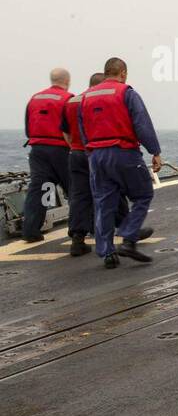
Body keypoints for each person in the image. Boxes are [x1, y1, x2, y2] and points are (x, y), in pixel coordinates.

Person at [78, 57, 162, 267]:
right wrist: (155, 151)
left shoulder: (85, 97)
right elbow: (142, 124)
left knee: (104, 204)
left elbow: (82, 128)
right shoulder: (127, 93)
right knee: (143, 194)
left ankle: (107, 253)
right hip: (123, 152)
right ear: (122, 73)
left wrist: (91, 152)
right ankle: (129, 237)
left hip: (96, 156)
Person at [62, 72, 130, 257]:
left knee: (79, 196)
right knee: (114, 190)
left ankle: (77, 239)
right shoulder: (105, 100)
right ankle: (129, 228)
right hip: (99, 152)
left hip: (76, 153)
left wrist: (76, 147)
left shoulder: (71, 102)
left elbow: (65, 132)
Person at [20, 68, 73, 243]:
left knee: (41, 190)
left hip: (38, 151)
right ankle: (79, 230)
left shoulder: (34, 99)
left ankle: (31, 230)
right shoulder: (68, 99)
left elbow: (28, 129)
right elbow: (72, 129)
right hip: (61, 151)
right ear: (67, 81)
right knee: (75, 190)